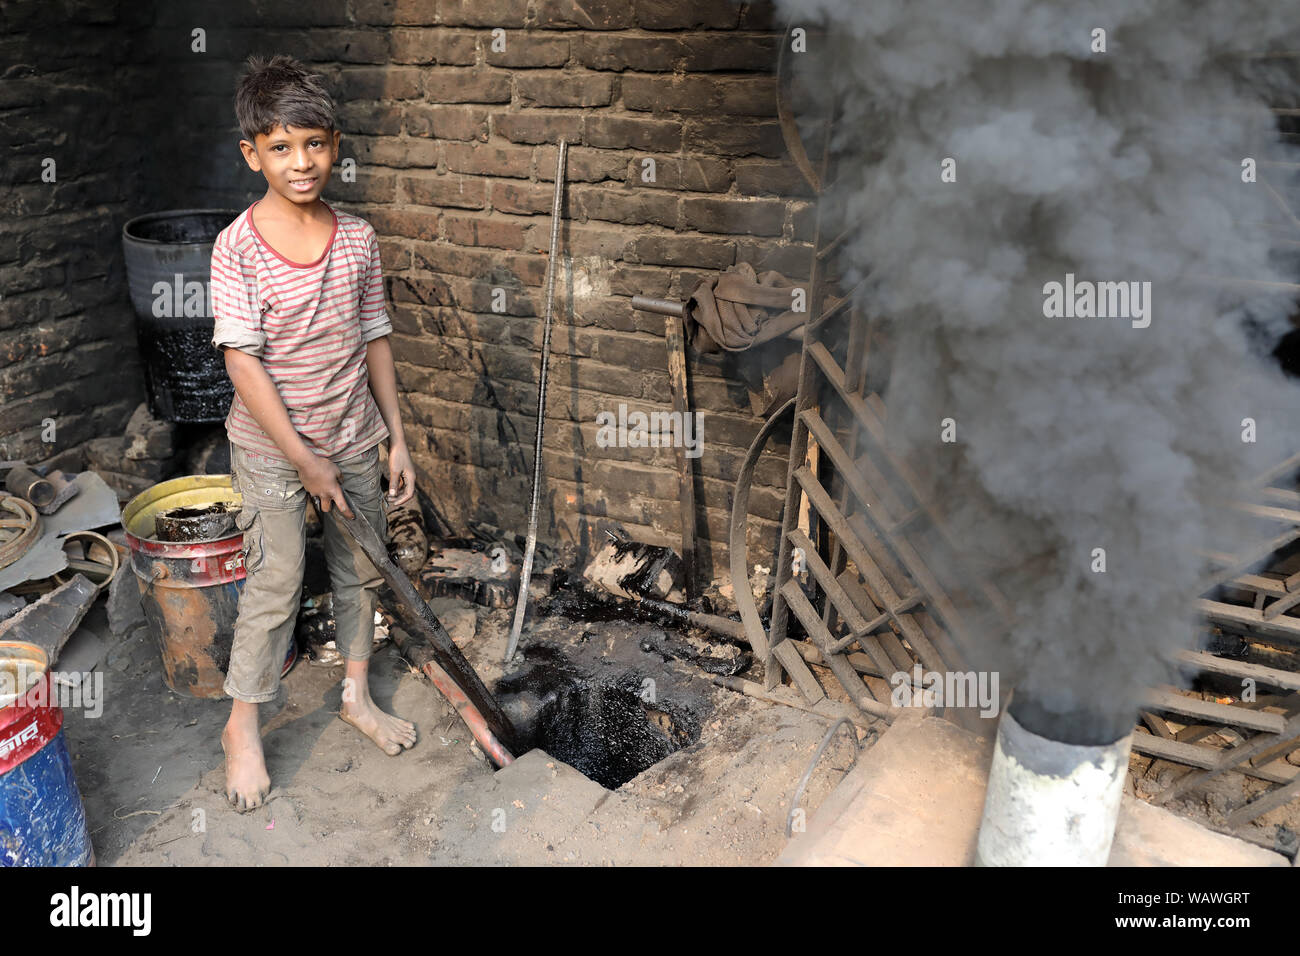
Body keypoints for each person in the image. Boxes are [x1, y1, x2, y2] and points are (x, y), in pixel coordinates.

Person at [209, 54, 418, 812]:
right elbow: (243, 365)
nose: (302, 163)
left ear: (334, 144)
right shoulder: (237, 247)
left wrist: (396, 438)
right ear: (252, 153)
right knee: (274, 585)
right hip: (273, 452)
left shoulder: (358, 239)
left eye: (315, 145)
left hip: (354, 436)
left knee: (362, 568)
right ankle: (242, 727)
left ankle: (356, 696)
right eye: (281, 147)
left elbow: (376, 341)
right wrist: (304, 459)